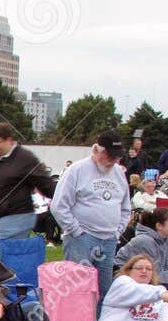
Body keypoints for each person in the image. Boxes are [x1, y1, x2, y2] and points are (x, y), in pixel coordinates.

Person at [49, 129, 132, 307]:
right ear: (96, 150)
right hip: (82, 239)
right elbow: (58, 205)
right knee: (78, 289)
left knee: (104, 290)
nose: (114, 160)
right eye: (110, 155)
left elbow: (125, 206)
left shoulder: (119, 172)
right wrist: (76, 231)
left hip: (109, 239)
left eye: (117, 156)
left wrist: (117, 231)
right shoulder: (76, 170)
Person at [114, 207, 168, 316]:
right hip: (127, 275)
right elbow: (154, 276)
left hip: (148, 274)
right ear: (159, 226)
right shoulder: (144, 241)